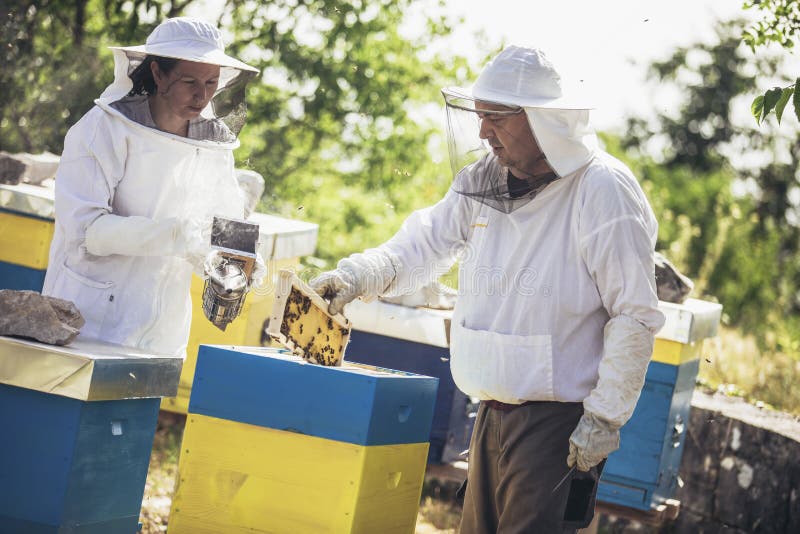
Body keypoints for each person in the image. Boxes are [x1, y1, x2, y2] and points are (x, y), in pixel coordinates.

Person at [310, 46, 665, 532]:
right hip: (489, 415)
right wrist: (355, 277)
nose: (482, 132)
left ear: (543, 119)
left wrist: (604, 419)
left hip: (556, 423)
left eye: (495, 118)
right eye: (479, 117)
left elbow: (636, 314)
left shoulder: (602, 189)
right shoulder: (484, 176)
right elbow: (421, 246)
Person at [42, 17, 264, 358]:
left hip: (162, 335)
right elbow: (86, 233)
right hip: (88, 324)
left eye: (211, 82)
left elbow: (225, 225)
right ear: (158, 73)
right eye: (189, 80)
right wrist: (179, 236)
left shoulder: (213, 145)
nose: (201, 95)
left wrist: (241, 261)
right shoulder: (102, 131)